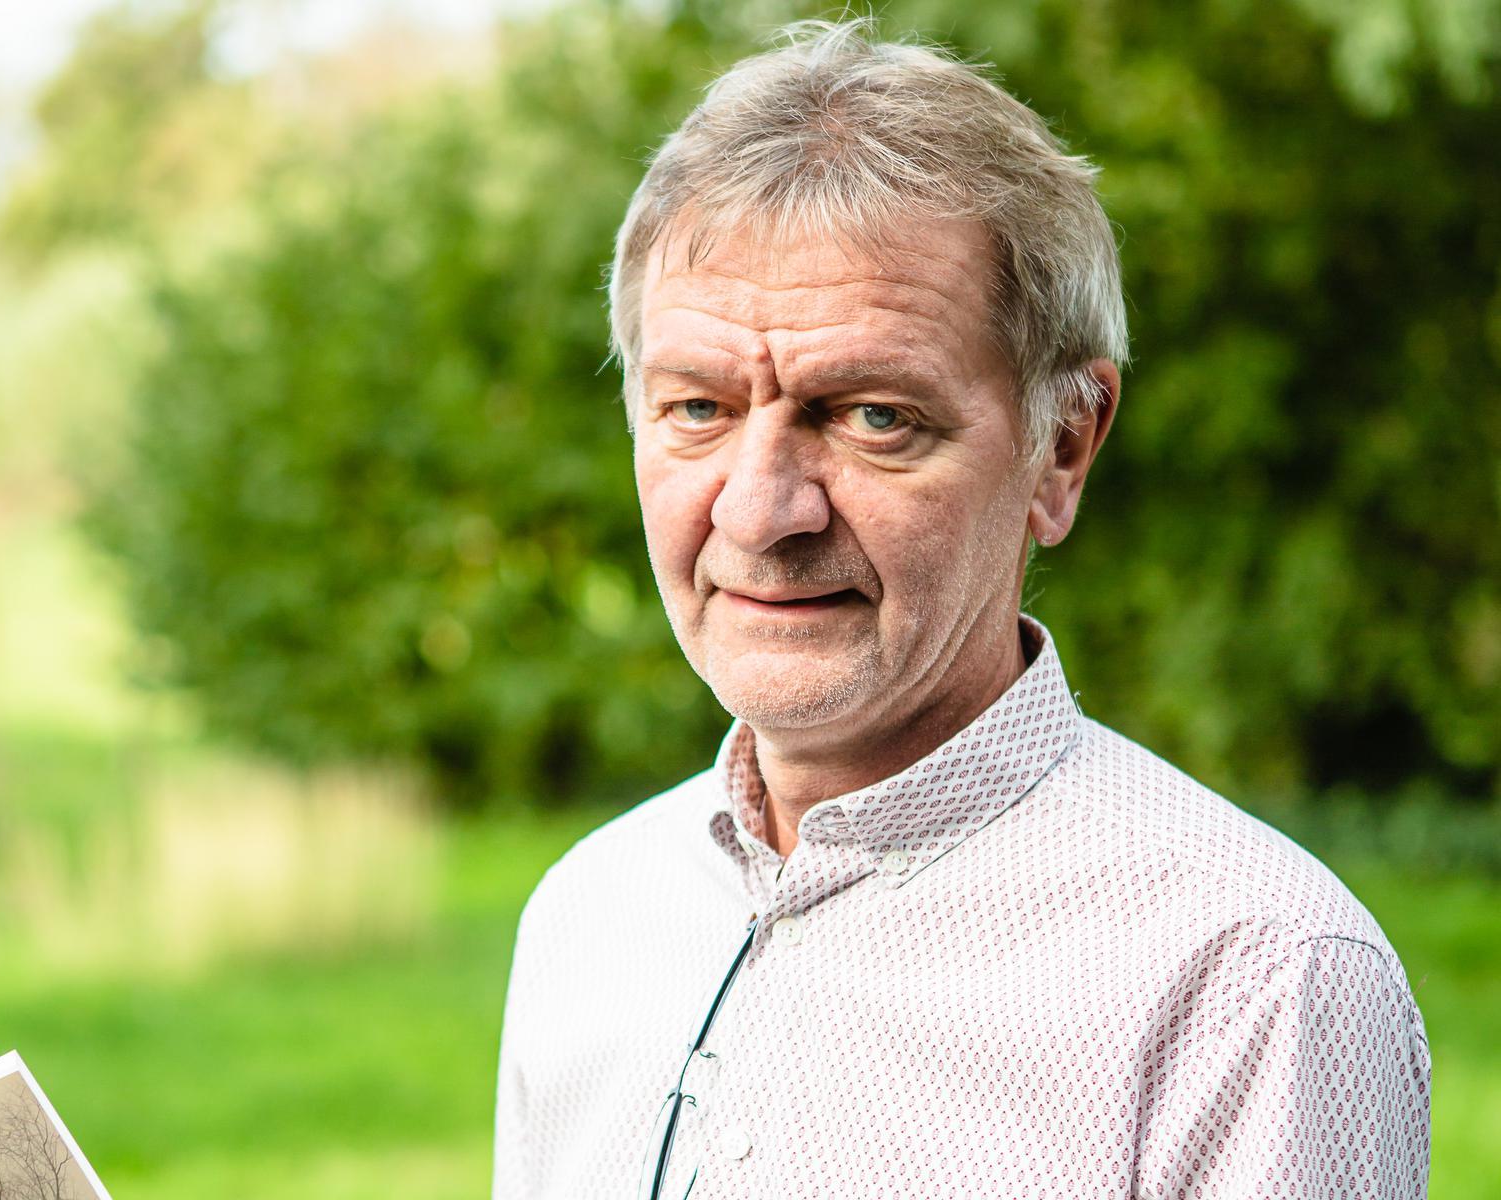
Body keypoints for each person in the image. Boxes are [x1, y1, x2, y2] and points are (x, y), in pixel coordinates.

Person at [491, 18, 1431, 1200]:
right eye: (697, 408)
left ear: (1064, 448)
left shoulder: (1252, 978)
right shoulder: (594, 912)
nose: (758, 511)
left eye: (874, 415)